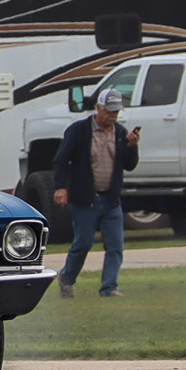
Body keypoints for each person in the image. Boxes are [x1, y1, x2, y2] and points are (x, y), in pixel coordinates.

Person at [52, 87, 141, 298]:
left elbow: (129, 165)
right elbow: (61, 161)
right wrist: (61, 187)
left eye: (116, 111)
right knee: (83, 244)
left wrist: (132, 146)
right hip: (85, 200)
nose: (113, 115)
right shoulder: (78, 131)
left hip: (111, 199)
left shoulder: (121, 133)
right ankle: (66, 278)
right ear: (98, 107)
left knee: (115, 246)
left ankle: (109, 288)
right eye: (109, 110)